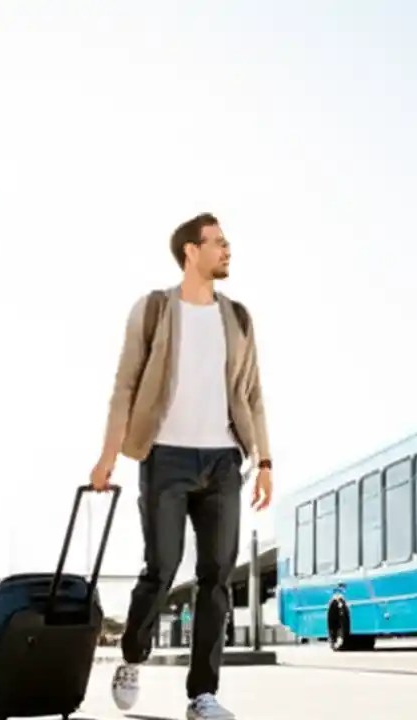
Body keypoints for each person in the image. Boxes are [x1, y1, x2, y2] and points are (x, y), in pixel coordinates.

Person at [89, 212, 273, 720]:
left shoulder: (237, 318)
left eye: (227, 241)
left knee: (216, 577)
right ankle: (132, 655)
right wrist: (109, 456)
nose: (227, 249)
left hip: (222, 461)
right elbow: (125, 385)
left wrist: (265, 460)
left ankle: (202, 694)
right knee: (162, 567)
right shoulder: (153, 309)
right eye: (217, 242)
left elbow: (252, 393)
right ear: (191, 252)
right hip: (164, 456)